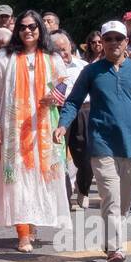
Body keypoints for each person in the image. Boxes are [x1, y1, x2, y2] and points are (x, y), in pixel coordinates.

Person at [55, 21, 131, 262]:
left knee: (124, 200)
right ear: (102, 43)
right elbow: (73, 101)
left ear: (126, 42)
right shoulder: (92, 71)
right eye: (108, 39)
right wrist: (63, 125)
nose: (113, 43)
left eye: (118, 39)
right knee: (110, 196)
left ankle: (112, 237)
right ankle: (116, 250)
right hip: (101, 144)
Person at [0, 10, 71, 251]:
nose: (28, 31)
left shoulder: (52, 57)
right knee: (18, 180)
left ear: (40, 30)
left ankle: (33, 225)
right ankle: (23, 232)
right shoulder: (5, 57)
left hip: (44, 129)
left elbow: (63, 84)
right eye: (23, 27)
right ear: (17, 30)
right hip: (14, 129)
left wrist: (55, 97)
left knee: (39, 178)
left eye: (33, 27)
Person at [53, 30, 90, 210]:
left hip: (83, 110)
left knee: (85, 156)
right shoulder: (48, 68)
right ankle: (64, 197)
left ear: (71, 46)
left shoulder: (83, 66)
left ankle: (83, 189)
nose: (63, 53)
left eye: (65, 48)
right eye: (58, 50)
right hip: (57, 111)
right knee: (58, 156)